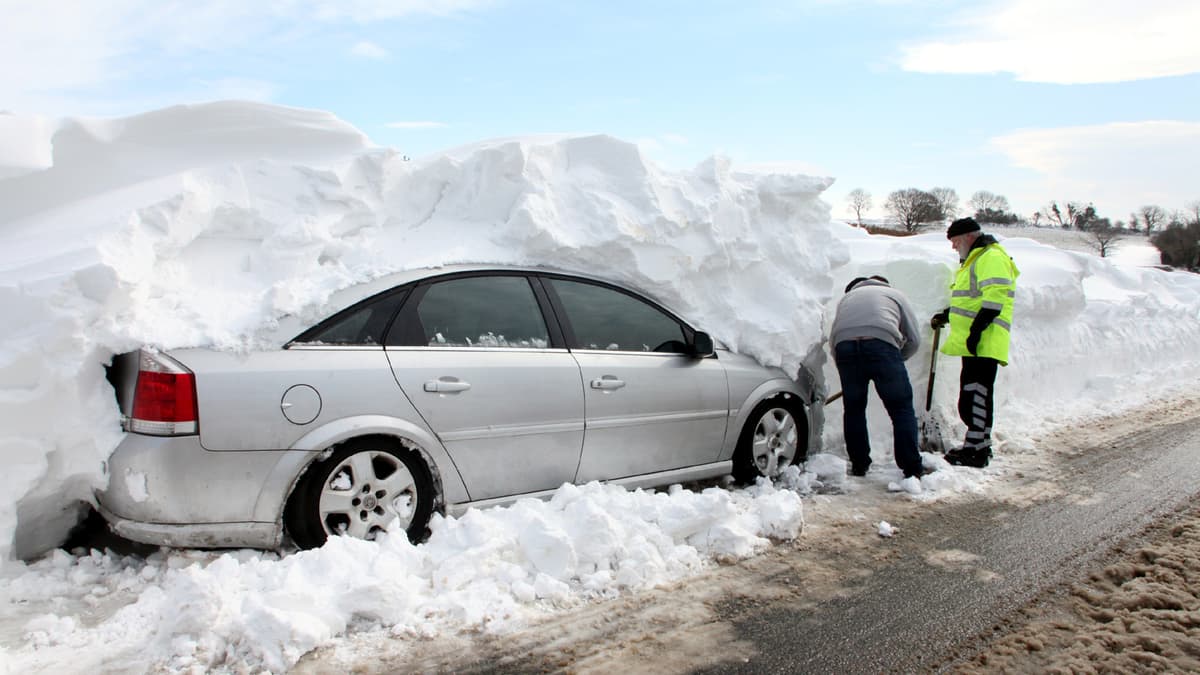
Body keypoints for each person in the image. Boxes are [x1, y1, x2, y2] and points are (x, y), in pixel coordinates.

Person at [930, 217, 1020, 468]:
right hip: (975, 342)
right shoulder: (975, 259)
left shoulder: (990, 257)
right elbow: (970, 300)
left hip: (985, 340)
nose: (953, 247)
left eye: (956, 241)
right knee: (971, 394)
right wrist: (947, 315)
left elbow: (994, 299)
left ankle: (978, 451)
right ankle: (975, 445)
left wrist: (977, 330)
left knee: (977, 394)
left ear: (970, 237)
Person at [830, 275, 924, 478]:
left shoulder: (847, 299)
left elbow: (835, 339)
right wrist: (896, 359)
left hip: (845, 348)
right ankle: (912, 467)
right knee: (901, 409)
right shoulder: (894, 294)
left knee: (853, 409)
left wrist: (846, 367)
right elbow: (914, 339)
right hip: (882, 345)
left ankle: (859, 464)